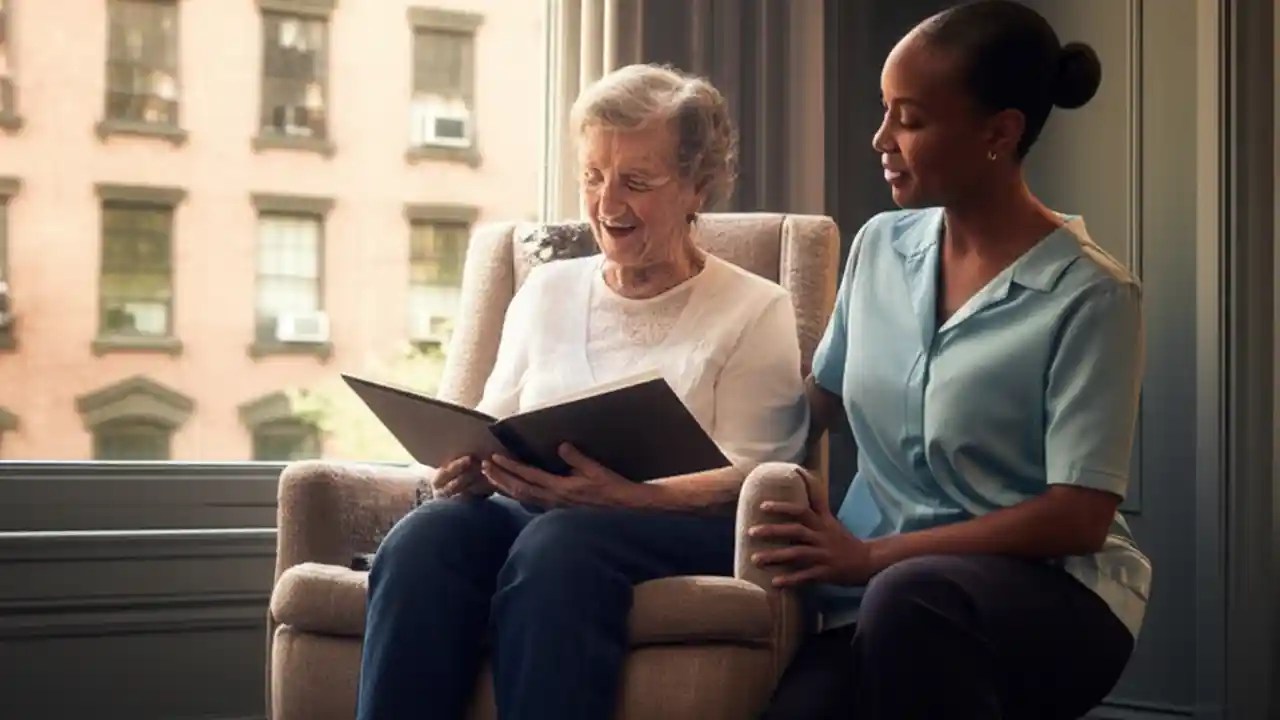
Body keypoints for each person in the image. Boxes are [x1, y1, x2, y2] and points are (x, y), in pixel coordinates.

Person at [355, 63, 810, 720]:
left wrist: (627, 497)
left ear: (697, 187)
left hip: (675, 526)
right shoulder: (547, 289)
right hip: (535, 508)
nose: (606, 203)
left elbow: (756, 472)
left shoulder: (754, 308)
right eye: (593, 178)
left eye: (636, 182)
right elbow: (496, 418)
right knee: (425, 540)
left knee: (561, 547)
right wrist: (472, 465)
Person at [751, 2, 1151, 718]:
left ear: (999, 133)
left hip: (1050, 598)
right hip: (880, 599)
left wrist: (870, 558)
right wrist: (665, 469)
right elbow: (818, 400)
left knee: (914, 603)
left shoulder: (1094, 295)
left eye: (909, 119)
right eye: (884, 112)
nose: (880, 139)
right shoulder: (878, 246)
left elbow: (1078, 517)